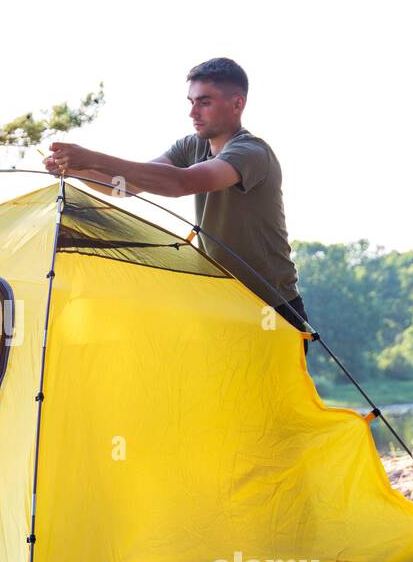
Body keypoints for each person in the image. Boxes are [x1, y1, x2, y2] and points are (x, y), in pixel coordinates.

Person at [44, 57, 311, 352]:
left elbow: (182, 183)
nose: (193, 112)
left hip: (270, 308)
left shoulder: (251, 152)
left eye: (204, 102)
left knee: (271, 399)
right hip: (223, 305)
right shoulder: (191, 146)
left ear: (237, 104)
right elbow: (127, 187)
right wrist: (75, 170)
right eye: (191, 101)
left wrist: (92, 158)